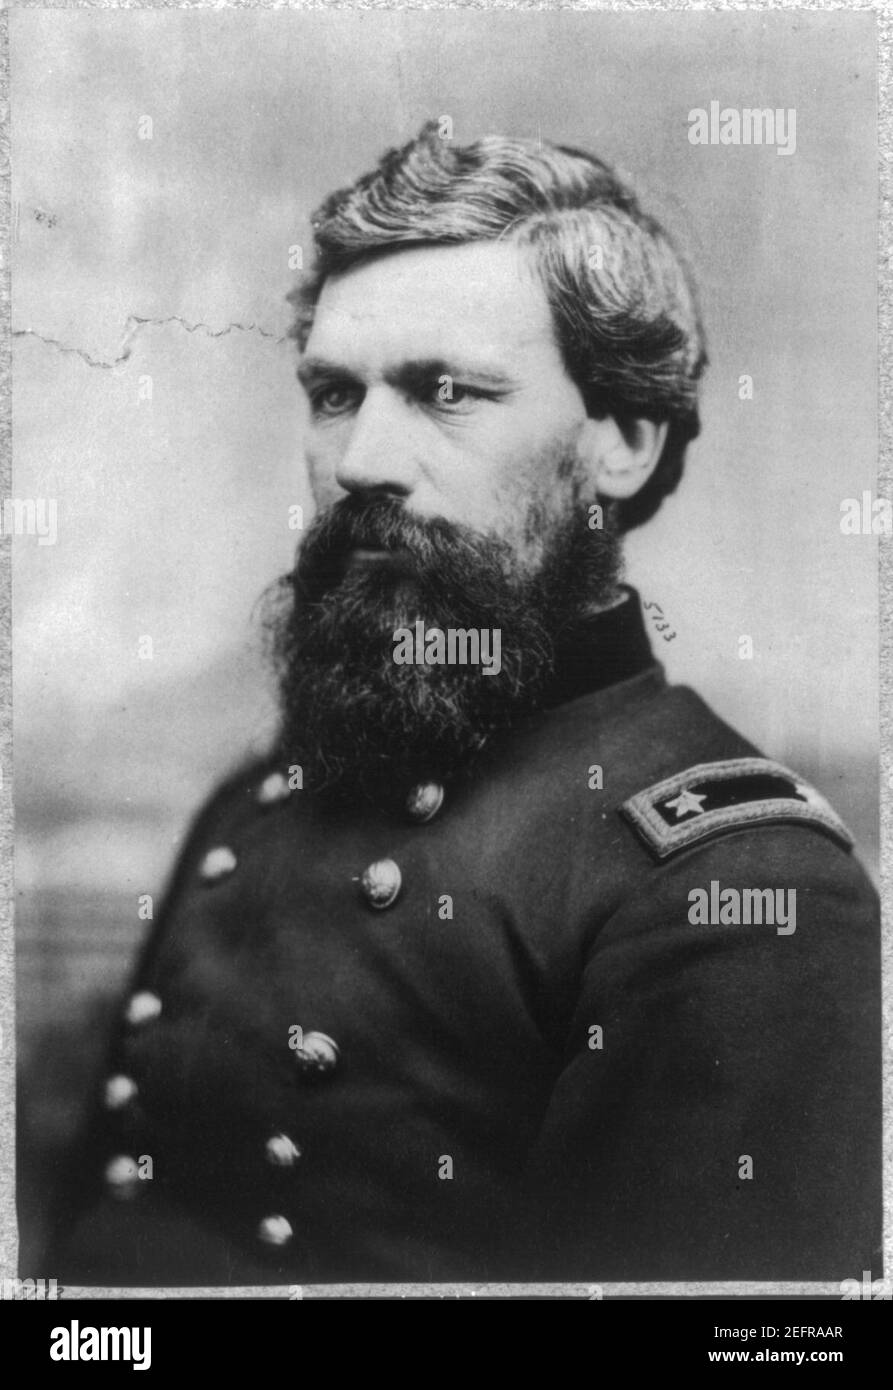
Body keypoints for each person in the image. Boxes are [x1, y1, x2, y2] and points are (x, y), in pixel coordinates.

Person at [48, 122, 881, 1285]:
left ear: (623, 441)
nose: (360, 462)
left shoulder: (731, 884)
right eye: (334, 394)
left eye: (445, 392)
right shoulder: (263, 799)